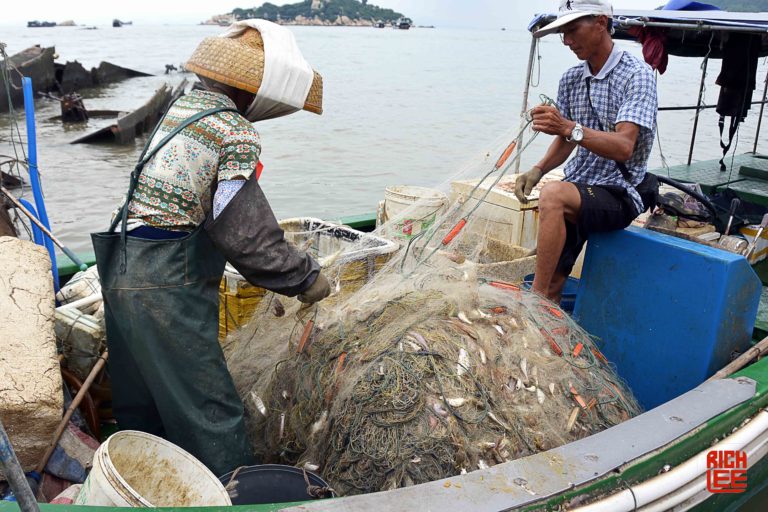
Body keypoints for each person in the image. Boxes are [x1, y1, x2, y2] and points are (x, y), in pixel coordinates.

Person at [92, 21, 330, 476]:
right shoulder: (234, 131)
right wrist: (305, 277)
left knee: (144, 410)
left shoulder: (182, 108)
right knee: (211, 412)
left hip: (121, 269)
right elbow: (244, 235)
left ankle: (143, 487)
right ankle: (231, 496)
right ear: (251, 91)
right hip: (165, 284)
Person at [515, 0, 658, 302]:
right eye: (562, 34)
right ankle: (545, 303)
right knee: (554, 283)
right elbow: (566, 140)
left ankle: (534, 300)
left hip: (621, 191)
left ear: (601, 23)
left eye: (573, 30)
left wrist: (568, 126)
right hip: (581, 186)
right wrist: (538, 169)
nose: (567, 41)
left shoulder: (637, 75)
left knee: (553, 195)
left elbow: (624, 146)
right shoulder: (571, 79)